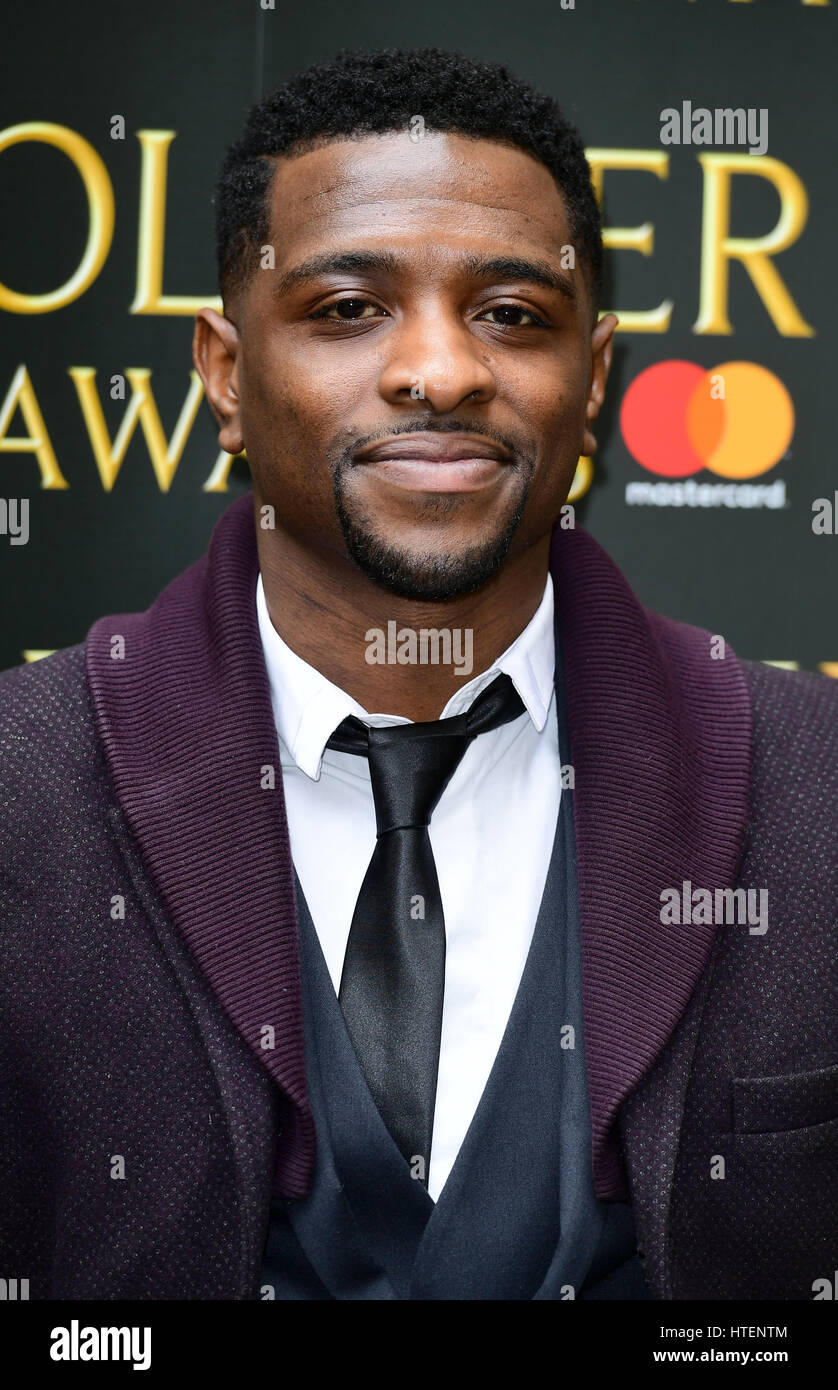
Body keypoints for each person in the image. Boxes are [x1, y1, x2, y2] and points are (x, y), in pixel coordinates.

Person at [1, 47, 836, 1302]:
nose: (440, 371)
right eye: (347, 308)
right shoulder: (23, 782)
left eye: (511, 314)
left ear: (595, 376)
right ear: (225, 376)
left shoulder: (813, 781)